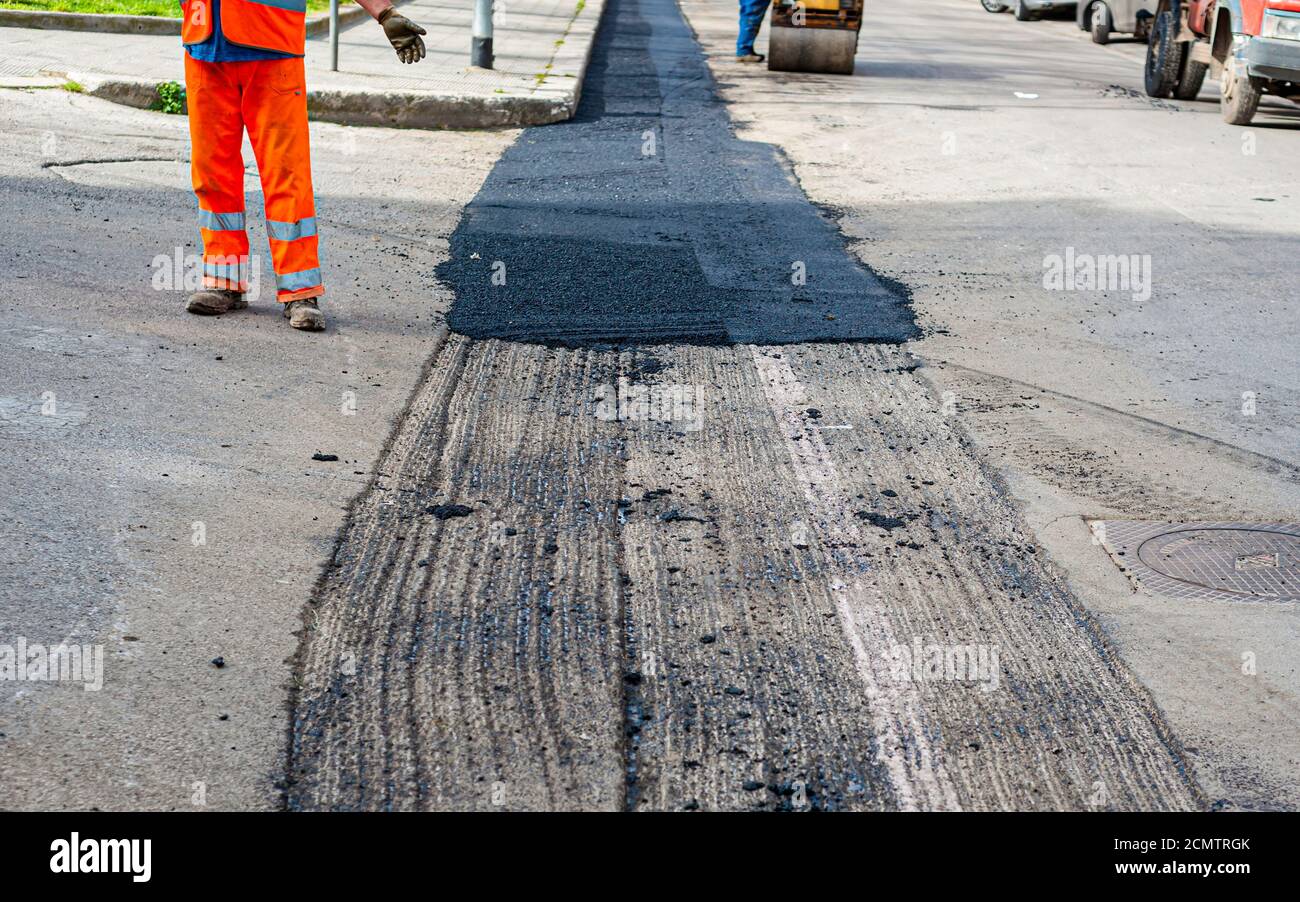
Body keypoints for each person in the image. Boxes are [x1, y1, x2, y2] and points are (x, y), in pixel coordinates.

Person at [179, 0, 427, 331]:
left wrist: (384, 12)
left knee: (286, 173)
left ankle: (300, 292)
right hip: (204, 47)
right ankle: (224, 280)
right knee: (212, 172)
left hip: (272, 47)